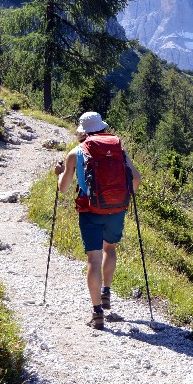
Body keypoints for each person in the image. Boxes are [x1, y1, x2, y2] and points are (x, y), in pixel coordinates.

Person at [54, 112, 141, 330]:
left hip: (90, 210)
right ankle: (106, 292)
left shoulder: (75, 153)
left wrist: (59, 173)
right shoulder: (118, 149)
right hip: (116, 209)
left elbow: (63, 189)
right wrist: (120, 198)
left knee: (93, 259)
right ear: (102, 128)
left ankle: (97, 313)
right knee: (109, 248)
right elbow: (136, 179)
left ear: (83, 131)